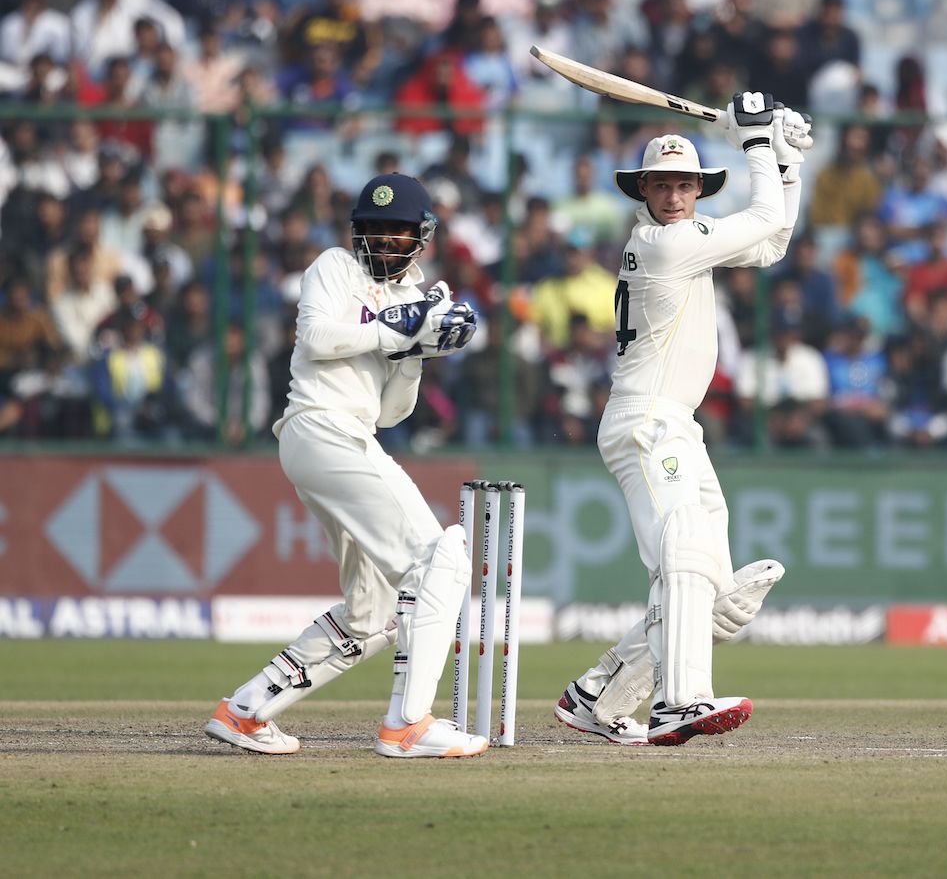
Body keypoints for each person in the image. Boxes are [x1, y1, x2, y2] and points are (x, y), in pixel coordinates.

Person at [553, 94, 809, 746]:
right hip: (646, 421)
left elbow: (772, 242)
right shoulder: (668, 243)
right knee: (684, 550)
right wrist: (758, 145)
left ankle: (599, 694)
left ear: (698, 187)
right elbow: (758, 216)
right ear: (643, 190)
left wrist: (790, 161)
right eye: (660, 184)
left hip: (675, 424)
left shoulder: (688, 243)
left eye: (682, 183)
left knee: (715, 594)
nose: (671, 194)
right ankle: (678, 701)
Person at [204, 173, 487, 758]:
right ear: (356, 234)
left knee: (373, 611)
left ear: (420, 237)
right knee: (442, 558)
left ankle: (246, 712)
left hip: (349, 434)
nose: (384, 241)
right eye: (374, 230)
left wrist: (418, 351)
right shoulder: (334, 267)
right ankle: (407, 724)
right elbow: (315, 339)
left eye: (397, 232)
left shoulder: (413, 297)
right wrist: (401, 328)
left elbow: (391, 412)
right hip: (318, 424)